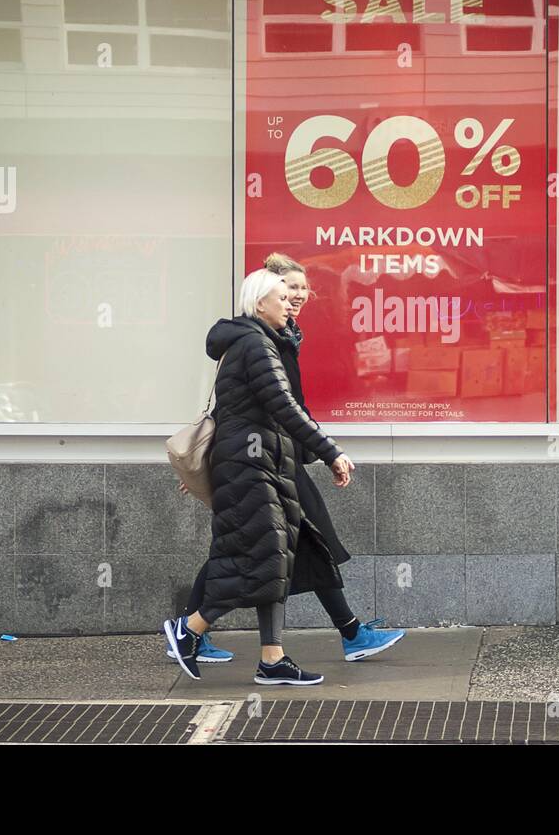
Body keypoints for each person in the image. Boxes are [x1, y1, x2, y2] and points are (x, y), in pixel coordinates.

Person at [167, 255, 406, 670]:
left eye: (300, 289)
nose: (295, 297)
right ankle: (192, 628)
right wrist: (330, 451)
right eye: (286, 290)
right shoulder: (258, 340)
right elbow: (277, 404)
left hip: (273, 458)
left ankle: (275, 654)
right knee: (267, 550)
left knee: (278, 550)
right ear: (262, 299)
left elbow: (270, 403)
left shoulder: (275, 336)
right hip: (259, 461)